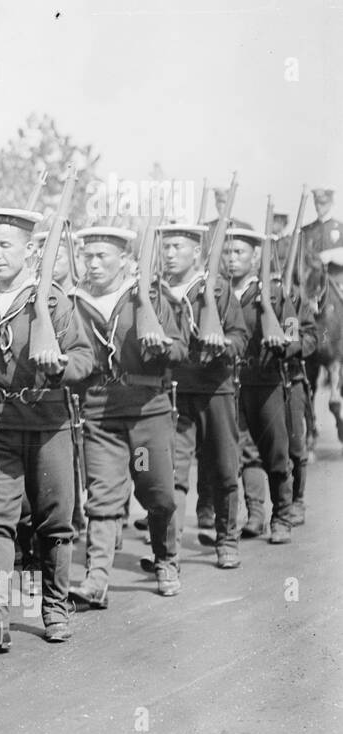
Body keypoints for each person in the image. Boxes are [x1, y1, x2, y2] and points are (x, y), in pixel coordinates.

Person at [0, 208, 93, 651]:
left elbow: (85, 358)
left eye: (5, 245)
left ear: (30, 250)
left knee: (55, 521)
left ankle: (54, 606)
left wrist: (63, 366)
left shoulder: (51, 299)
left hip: (47, 421)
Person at [67, 226, 187, 604]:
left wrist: (163, 347)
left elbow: (182, 350)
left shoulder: (147, 298)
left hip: (145, 415)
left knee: (156, 491)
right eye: (88, 256)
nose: (94, 263)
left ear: (126, 260)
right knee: (101, 496)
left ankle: (166, 559)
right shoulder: (74, 301)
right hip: (101, 415)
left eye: (103, 256)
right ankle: (96, 578)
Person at [157, 222, 249, 569]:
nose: (169, 254)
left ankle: (227, 541)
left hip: (216, 389)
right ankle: (169, 551)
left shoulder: (216, 288)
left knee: (225, 466)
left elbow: (240, 336)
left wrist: (224, 344)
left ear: (197, 251)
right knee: (172, 473)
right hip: (174, 392)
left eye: (177, 247)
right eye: (166, 247)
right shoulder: (156, 292)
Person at [221, 223, 315, 545]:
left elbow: (298, 334)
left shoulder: (274, 294)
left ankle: (283, 515)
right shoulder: (218, 293)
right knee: (244, 452)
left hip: (267, 379)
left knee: (276, 451)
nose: (231, 259)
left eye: (239, 252)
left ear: (255, 255)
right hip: (232, 383)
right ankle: (256, 514)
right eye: (227, 252)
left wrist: (285, 345)